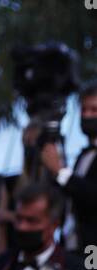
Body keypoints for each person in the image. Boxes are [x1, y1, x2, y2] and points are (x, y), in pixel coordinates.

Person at [40, 79, 97, 254]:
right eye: (83, 110)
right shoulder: (84, 155)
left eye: (94, 110)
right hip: (74, 246)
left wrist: (61, 172)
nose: (86, 115)